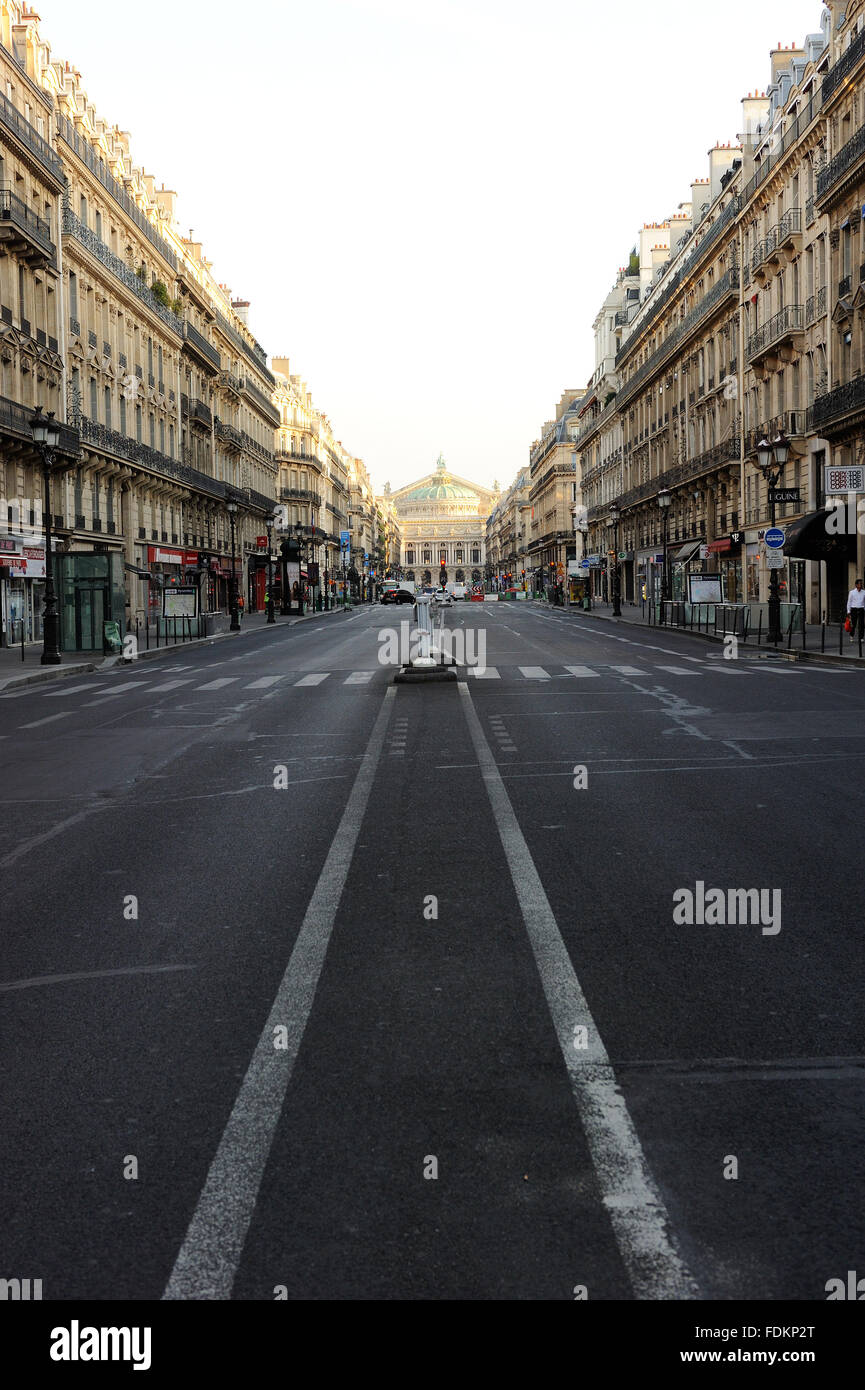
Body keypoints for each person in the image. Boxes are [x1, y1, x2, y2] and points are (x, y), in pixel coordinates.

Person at [847, 578, 865, 642]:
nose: (861, 585)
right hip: (854, 609)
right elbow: (849, 602)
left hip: (861, 609)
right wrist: (848, 611)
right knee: (853, 624)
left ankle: (861, 637)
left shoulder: (864, 592)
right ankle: (851, 636)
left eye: (861, 584)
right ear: (856, 585)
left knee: (861, 624)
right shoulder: (852, 592)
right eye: (860, 584)